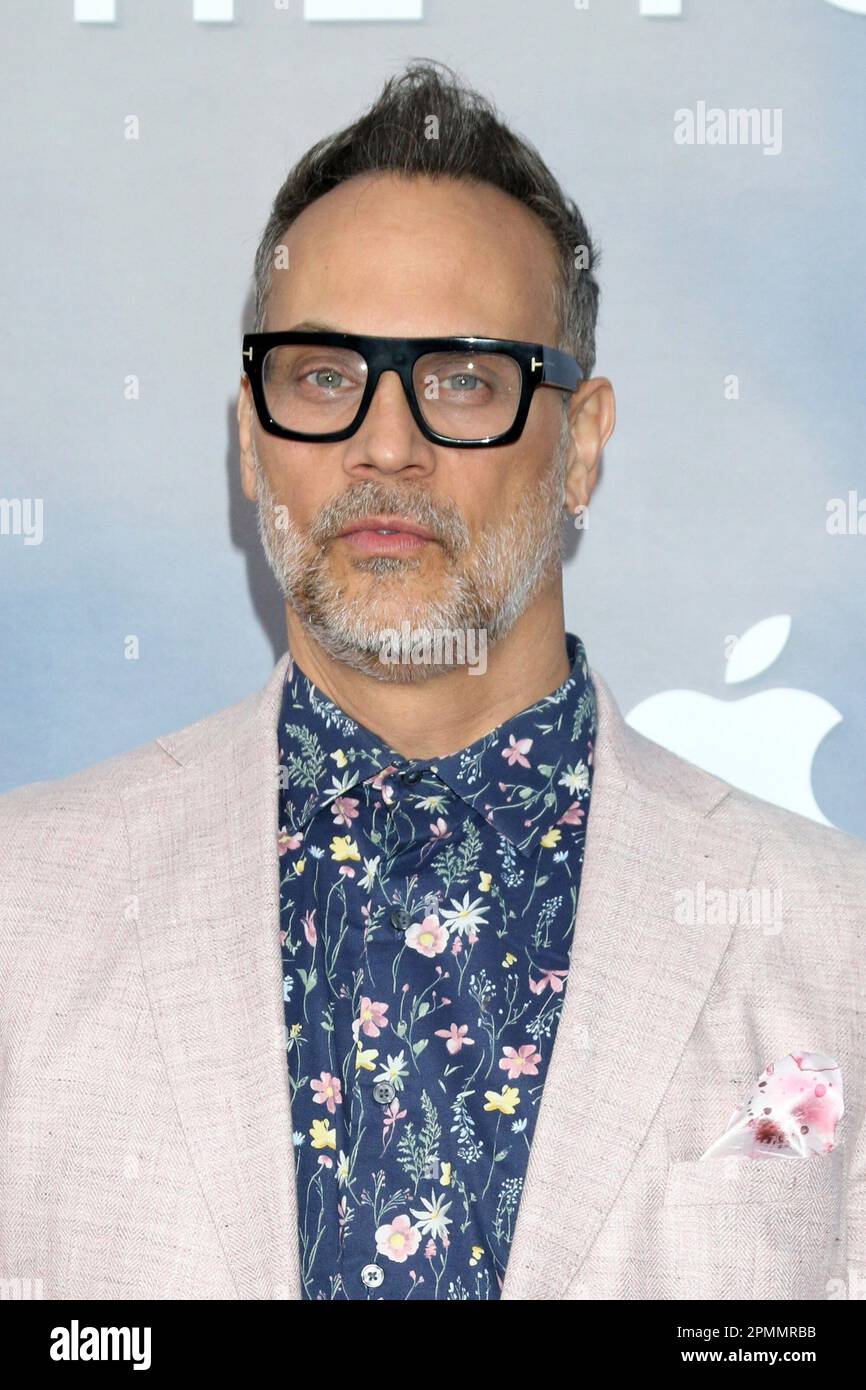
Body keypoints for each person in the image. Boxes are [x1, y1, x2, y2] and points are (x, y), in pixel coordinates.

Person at [1, 60, 863, 1303]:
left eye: (463, 377)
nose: (385, 444)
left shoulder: (831, 941)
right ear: (250, 442)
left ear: (582, 445)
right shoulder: (27, 913)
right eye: (321, 374)